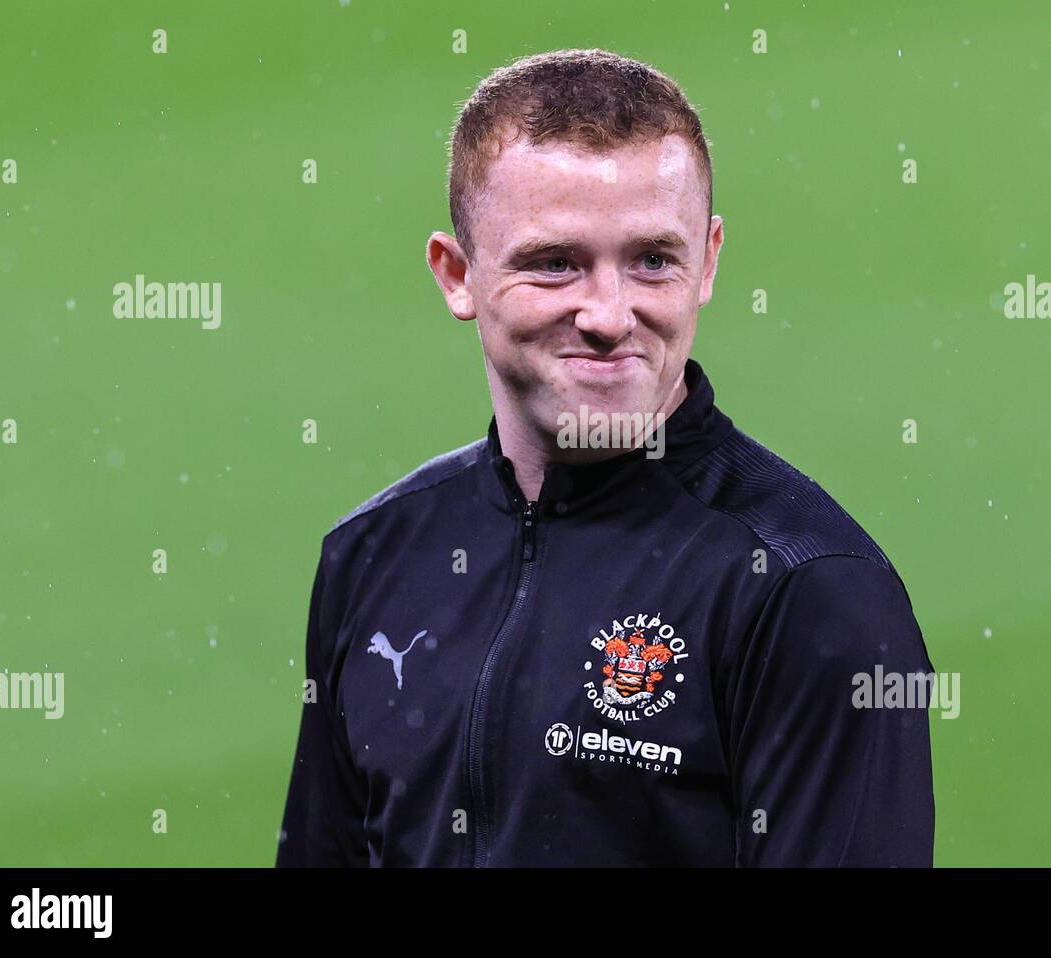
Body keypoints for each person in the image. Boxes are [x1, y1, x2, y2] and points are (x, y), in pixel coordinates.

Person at [276, 47, 935, 867]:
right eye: (556, 264)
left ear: (709, 262)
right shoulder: (373, 554)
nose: (608, 315)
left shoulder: (809, 593)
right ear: (458, 275)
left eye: (653, 260)